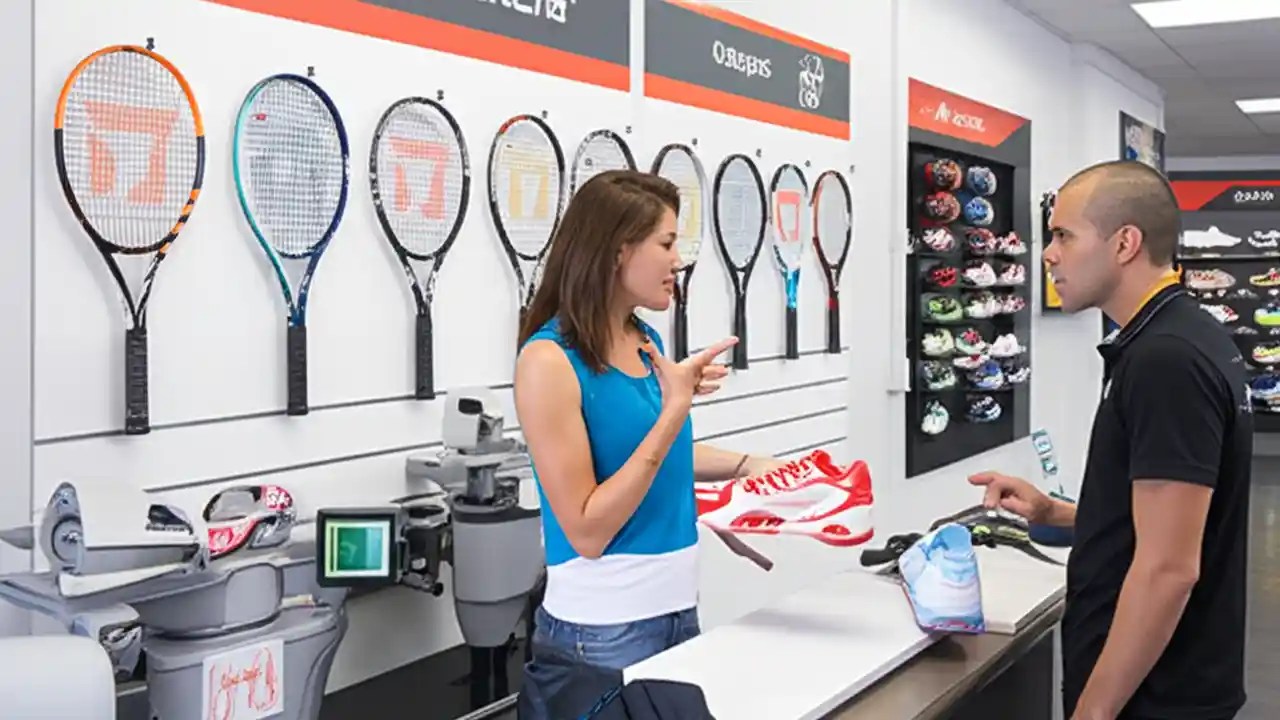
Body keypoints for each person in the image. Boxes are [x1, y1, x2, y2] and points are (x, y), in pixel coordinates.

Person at [970, 160, 1251, 720]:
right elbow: (1175, 516)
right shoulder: (1171, 339)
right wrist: (1061, 511)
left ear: (1124, 243)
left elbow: (1169, 568)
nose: (1048, 254)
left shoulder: (1165, 360)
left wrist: (1093, 713)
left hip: (1153, 697)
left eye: (1063, 236)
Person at [512, 170, 785, 718]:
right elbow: (588, 528)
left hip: (678, 612)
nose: (678, 259)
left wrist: (745, 471)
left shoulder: (646, 341)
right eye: (666, 242)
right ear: (618, 251)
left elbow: (648, 465)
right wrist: (673, 412)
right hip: (601, 636)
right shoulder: (547, 361)